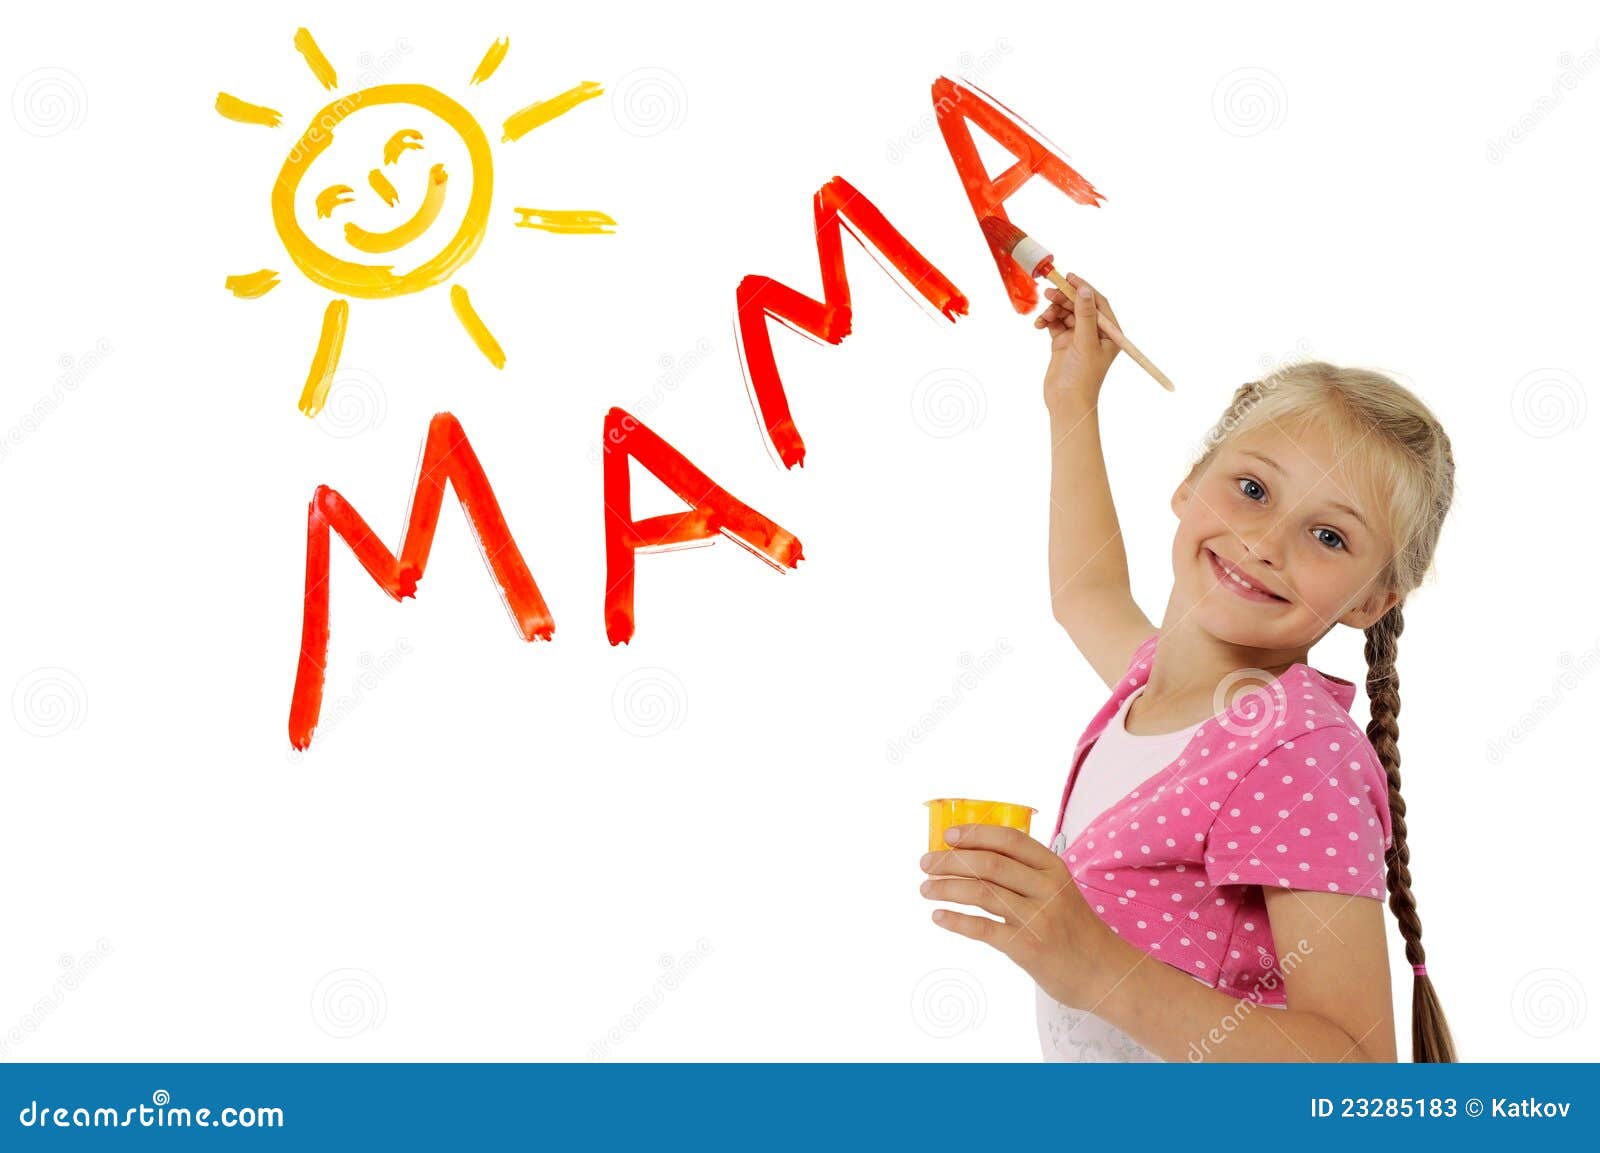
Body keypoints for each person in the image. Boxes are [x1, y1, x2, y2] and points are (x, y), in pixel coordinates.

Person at [918, 276, 1458, 1062]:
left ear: (1372, 601)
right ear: (1189, 482)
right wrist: (1074, 399)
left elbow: (1359, 1073)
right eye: (1251, 488)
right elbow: (1084, 589)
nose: (1267, 540)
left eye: (1329, 536)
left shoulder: (1296, 757)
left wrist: (1096, 966)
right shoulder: (1159, 688)